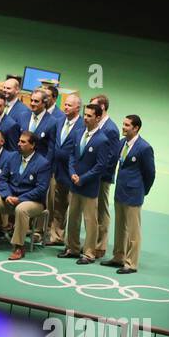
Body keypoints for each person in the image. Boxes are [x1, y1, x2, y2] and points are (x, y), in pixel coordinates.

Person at [0, 130, 49, 260]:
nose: (19, 144)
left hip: (33, 201)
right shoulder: (13, 157)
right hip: (10, 196)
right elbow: (2, 179)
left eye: (23, 142)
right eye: (19, 141)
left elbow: (41, 189)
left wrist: (20, 199)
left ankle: (18, 247)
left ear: (32, 145)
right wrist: (7, 195)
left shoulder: (43, 163)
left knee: (21, 209)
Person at [61, 103, 115, 264]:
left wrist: (82, 178)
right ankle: (72, 247)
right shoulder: (78, 133)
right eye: (85, 114)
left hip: (89, 187)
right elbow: (71, 156)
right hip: (75, 183)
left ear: (98, 118)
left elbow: (100, 166)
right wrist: (72, 173)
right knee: (73, 217)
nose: (85, 117)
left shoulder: (102, 140)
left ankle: (89, 253)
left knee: (90, 221)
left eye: (89, 116)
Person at [102, 114, 155, 274]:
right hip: (120, 192)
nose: (123, 127)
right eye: (123, 124)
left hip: (134, 195)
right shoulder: (121, 143)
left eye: (126, 125)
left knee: (133, 231)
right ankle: (118, 257)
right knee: (120, 228)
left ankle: (131, 263)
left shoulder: (144, 148)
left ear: (136, 128)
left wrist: (142, 190)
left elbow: (150, 173)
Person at [45, 93, 83, 245]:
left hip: (73, 173)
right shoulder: (59, 121)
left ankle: (72, 242)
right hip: (57, 170)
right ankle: (57, 236)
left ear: (78, 108)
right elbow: (53, 144)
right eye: (65, 104)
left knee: (73, 209)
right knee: (57, 204)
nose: (65, 107)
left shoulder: (83, 125)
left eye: (69, 105)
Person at [88, 93, 120, 257]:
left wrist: (95, 173)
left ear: (101, 108)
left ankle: (100, 246)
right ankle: (91, 242)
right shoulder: (95, 125)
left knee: (101, 210)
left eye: (92, 104)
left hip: (101, 177)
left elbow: (111, 157)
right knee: (91, 210)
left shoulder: (111, 129)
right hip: (92, 175)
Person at [20, 88, 58, 163]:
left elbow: (51, 149)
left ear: (44, 103)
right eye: (31, 100)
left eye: (36, 101)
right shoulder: (23, 116)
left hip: (39, 163)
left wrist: (45, 165)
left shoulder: (52, 121)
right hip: (21, 160)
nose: (32, 103)